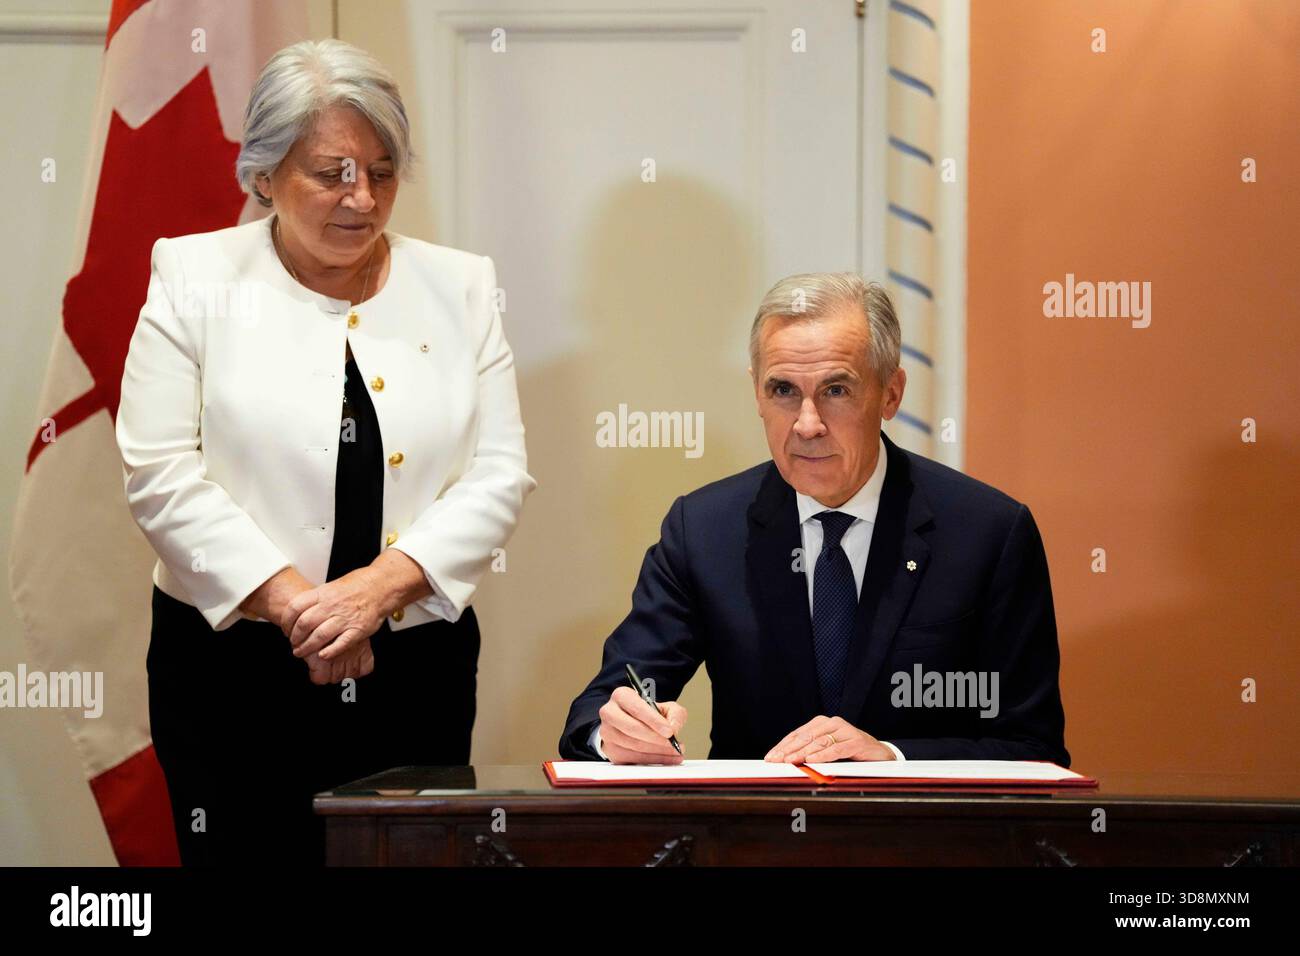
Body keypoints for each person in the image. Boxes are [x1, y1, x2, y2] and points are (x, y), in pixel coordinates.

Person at [116, 39, 535, 864]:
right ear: (263, 175)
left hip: (413, 664)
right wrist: (301, 610)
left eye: (382, 171)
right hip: (232, 668)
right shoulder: (193, 275)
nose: (362, 197)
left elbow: (497, 474)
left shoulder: (460, 285)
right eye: (331, 171)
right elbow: (160, 474)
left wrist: (373, 594)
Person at [559, 273, 1069, 767]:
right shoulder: (704, 529)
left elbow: (1033, 745)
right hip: (756, 843)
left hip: (919, 841)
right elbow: (610, 701)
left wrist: (892, 758)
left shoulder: (988, 533)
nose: (807, 424)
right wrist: (617, 733)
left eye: (837, 390)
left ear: (891, 394)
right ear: (757, 394)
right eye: (783, 390)